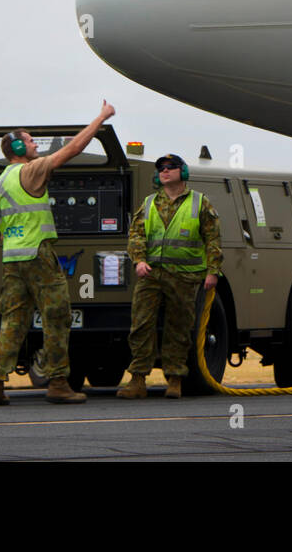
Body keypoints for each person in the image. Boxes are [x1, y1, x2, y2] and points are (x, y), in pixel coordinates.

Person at [0, 101, 116, 405]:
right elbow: (71, 150)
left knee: (13, 322)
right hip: (38, 255)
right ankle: (57, 382)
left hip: (12, 258)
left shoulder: (2, 180)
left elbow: (1, 223)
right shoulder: (31, 170)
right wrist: (101, 118)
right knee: (57, 317)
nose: (34, 145)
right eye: (29, 140)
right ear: (17, 146)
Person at [116, 153, 222, 400]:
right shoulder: (150, 202)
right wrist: (139, 260)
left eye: (170, 167)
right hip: (150, 275)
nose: (165, 171)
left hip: (184, 277)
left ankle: (174, 379)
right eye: (161, 168)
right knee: (141, 325)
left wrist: (212, 271)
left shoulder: (200, 203)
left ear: (182, 172)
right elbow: (136, 235)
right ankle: (138, 379)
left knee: (179, 327)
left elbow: (213, 239)